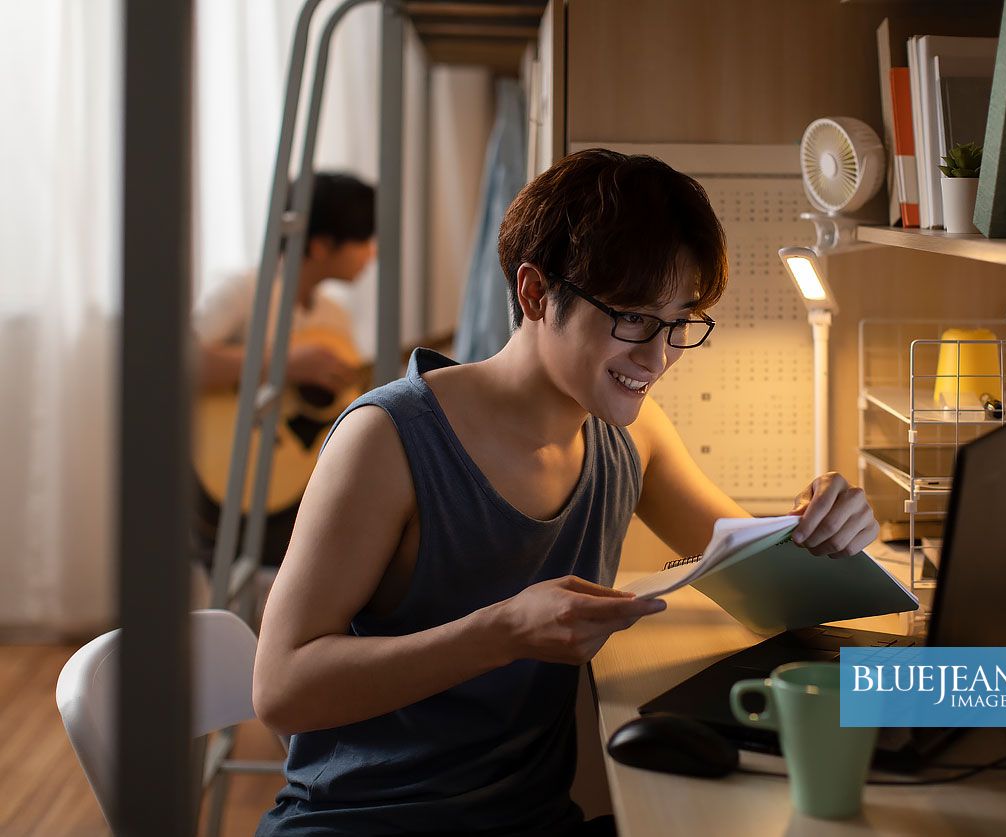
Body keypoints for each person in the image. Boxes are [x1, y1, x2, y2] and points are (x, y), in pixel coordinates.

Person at [252, 150, 879, 836]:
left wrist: (821, 523)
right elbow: (281, 689)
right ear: (533, 293)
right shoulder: (387, 440)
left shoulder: (631, 439)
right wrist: (500, 631)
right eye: (634, 318)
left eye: (679, 321)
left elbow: (767, 579)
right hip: (363, 822)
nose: (658, 356)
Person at [191, 172, 377, 568]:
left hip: (292, 479)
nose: (372, 253)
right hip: (225, 474)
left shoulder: (334, 317)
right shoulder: (244, 292)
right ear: (321, 245)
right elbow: (182, 362)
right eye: (363, 240)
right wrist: (285, 365)